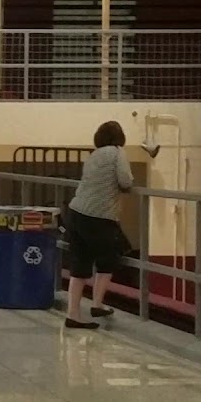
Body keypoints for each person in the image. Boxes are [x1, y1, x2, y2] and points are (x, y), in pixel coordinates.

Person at [64, 121, 131, 329]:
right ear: (119, 138)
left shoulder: (94, 155)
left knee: (80, 265)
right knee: (109, 258)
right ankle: (97, 304)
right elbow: (126, 181)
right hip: (99, 216)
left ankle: (73, 314)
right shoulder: (117, 153)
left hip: (75, 213)